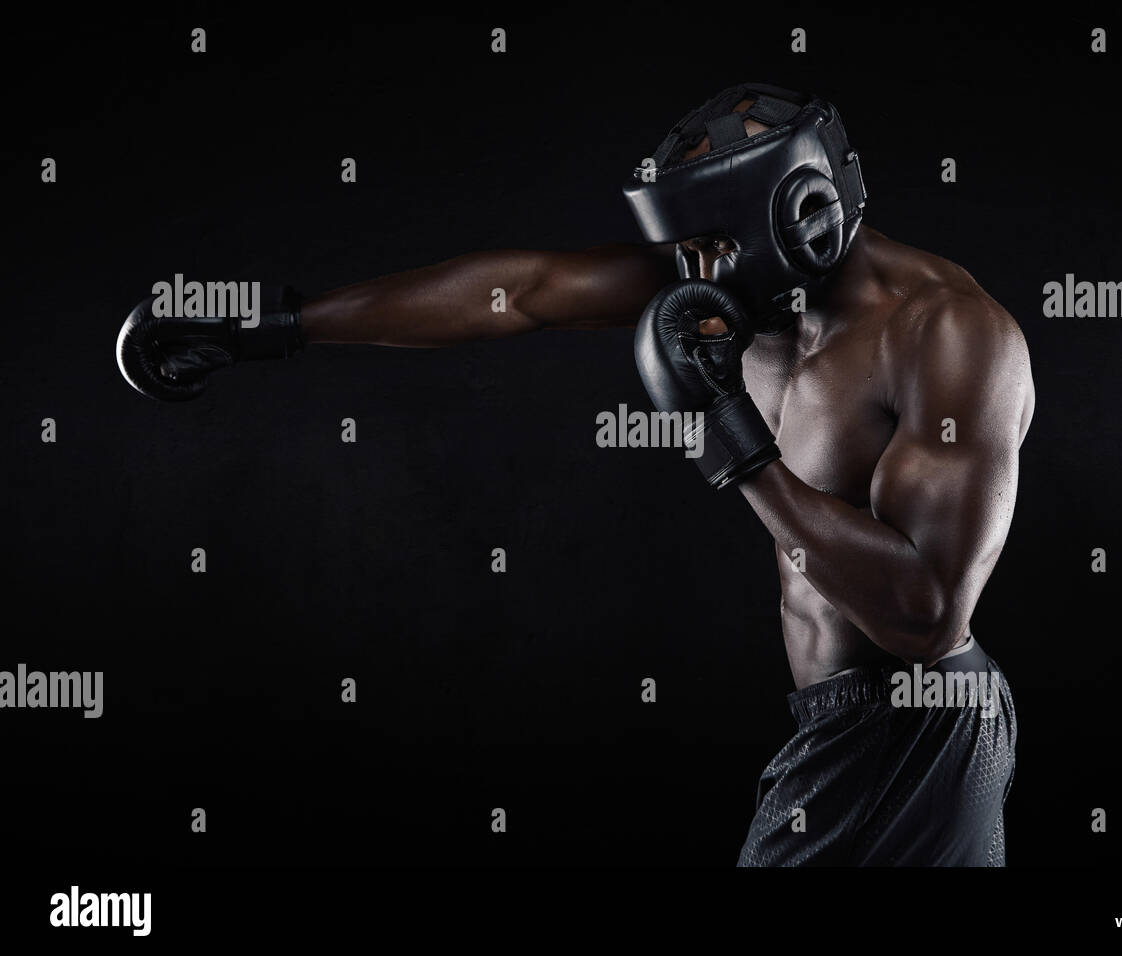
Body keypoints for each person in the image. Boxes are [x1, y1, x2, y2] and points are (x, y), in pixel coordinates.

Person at [117, 83, 1034, 866]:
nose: (690, 270)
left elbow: (924, 616)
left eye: (710, 244)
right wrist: (276, 326)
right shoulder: (740, 289)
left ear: (800, 216)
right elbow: (524, 291)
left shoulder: (949, 334)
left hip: (914, 722)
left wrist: (733, 442)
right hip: (850, 721)